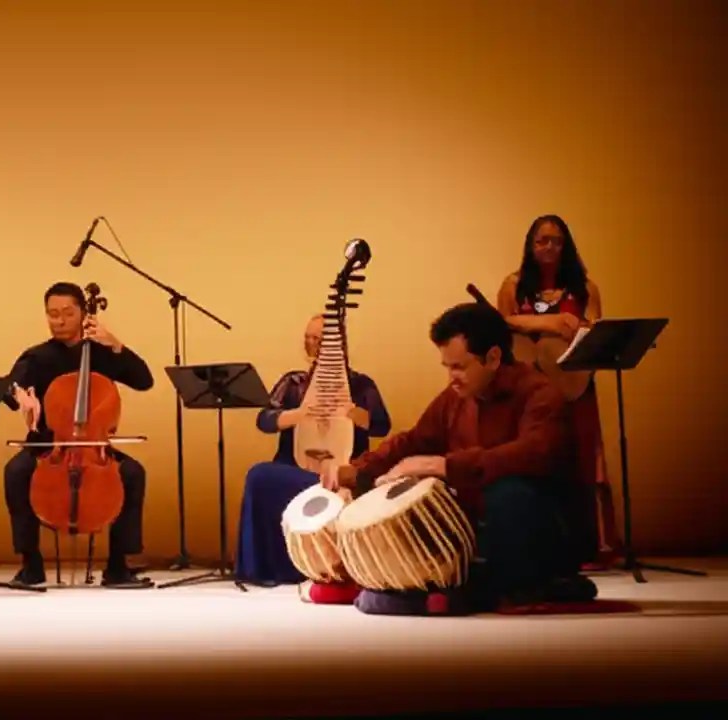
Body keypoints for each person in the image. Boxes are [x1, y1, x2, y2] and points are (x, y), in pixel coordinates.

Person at [323, 302, 593, 608]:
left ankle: (518, 585)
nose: (451, 376)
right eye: (447, 367)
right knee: (402, 492)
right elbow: (413, 441)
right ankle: (454, 586)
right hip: (481, 535)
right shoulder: (455, 398)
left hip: (541, 533)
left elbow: (532, 453)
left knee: (508, 492)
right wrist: (355, 471)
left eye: (459, 367)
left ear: (493, 358)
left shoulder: (540, 393)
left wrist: (445, 465)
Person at [2, 282, 154, 588]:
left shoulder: (103, 354)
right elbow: (9, 388)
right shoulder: (37, 356)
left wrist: (116, 346)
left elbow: (144, 380)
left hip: (94, 446)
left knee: (133, 473)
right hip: (48, 446)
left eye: (67, 313)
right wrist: (20, 395)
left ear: (84, 314)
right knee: (16, 471)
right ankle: (30, 563)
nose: (59, 321)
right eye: (52, 314)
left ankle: (118, 566)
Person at [496, 215, 620, 570]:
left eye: (557, 241)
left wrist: (578, 327)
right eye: (542, 240)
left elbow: (594, 330)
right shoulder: (514, 285)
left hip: (574, 385)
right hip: (529, 393)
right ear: (530, 245)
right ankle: (537, 547)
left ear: (566, 246)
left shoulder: (585, 288)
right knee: (534, 459)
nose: (549, 247)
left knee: (580, 461)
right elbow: (501, 323)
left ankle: (587, 548)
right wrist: (549, 322)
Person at [235, 314, 391, 587]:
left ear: (337, 345)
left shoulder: (361, 385)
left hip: (341, 472)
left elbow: (381, 426)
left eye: (318, 338)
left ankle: (320, 567)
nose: (310, 343)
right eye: (307, 337)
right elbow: (264, 420)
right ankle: (260, 569)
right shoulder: (293, 382)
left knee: (348, 486)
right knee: (259, 475)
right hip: (294, 468)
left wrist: (354, 414)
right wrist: (299, 414)